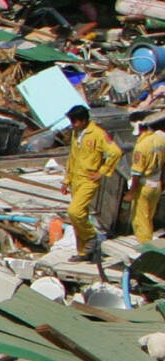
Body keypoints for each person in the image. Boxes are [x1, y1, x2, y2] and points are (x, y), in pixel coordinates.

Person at [65, 103, 122, 260]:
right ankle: (83, 252)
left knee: (74, 211)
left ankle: (91, 237)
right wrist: (66, 179)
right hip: (75, 179)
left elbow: (115, 152)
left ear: (83, 120)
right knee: (80, 216)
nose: (73, 125)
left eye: (75, 121)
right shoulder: (76, 134)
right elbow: (72, 157)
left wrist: (102, 172)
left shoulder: (97, 134)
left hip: (88, 179)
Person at [132, 125, 165, 245]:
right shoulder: (161, 140)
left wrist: (131, 191)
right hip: (157, 184)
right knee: (149, 217)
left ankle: (145, 247)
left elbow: (136, 172)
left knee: (141, 220)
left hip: (145, 185)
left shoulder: (141, 146)